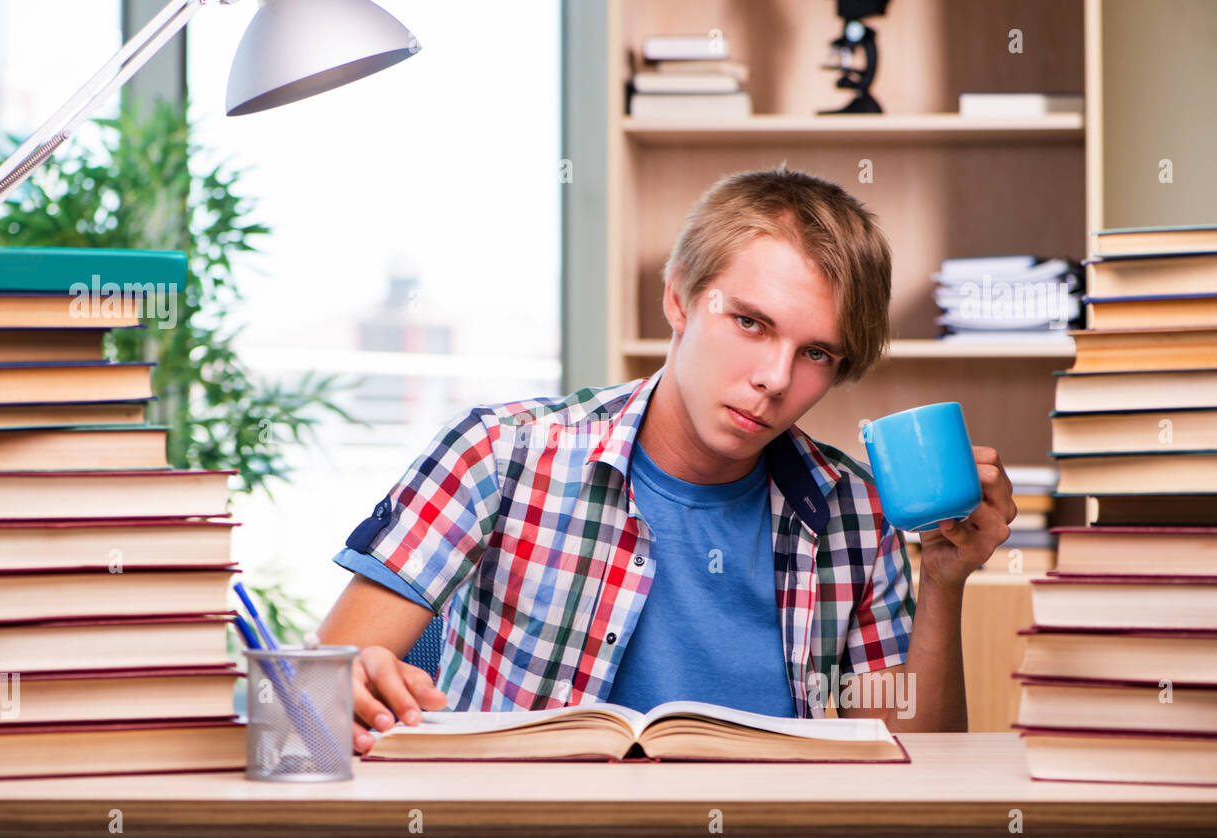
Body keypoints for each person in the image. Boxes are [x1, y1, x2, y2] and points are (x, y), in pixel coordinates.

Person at [318, 166, 1018, 755]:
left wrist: (945, 578)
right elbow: (320, 690)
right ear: (678, 297)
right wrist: (347, 687)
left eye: (815, 353)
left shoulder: (854, 511)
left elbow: (919, 758)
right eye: (750, 322)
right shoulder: (500, 455)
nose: (775, 378)